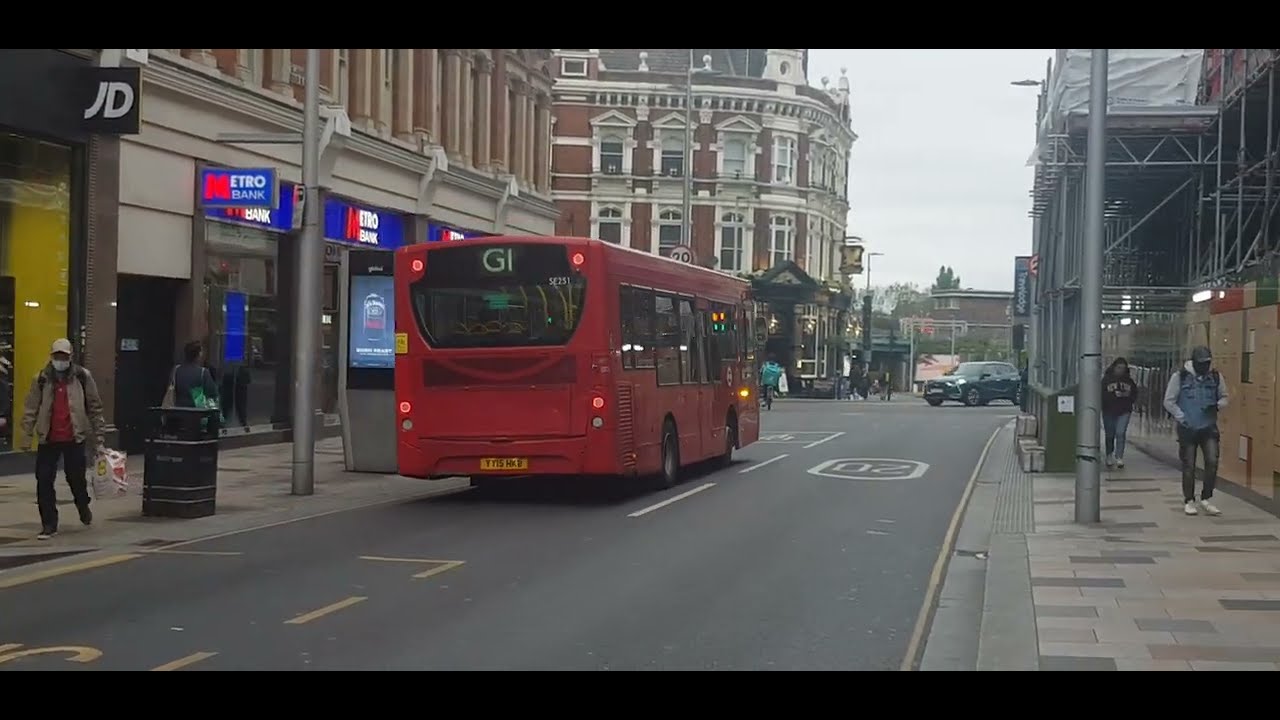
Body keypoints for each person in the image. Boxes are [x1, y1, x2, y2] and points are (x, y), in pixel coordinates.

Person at [19, 338, 107, 540]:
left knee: (75, 478)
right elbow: (31, 408)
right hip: (48, 438)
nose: (60, 360)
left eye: (64, 356)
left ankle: (82, 505)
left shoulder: (83, 377)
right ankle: (49, 523)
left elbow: (94, 407)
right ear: (51, 357)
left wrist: (99, 437)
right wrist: (26, 436)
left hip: (74, 437)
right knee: (44, 480)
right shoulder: (41, 379)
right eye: (57, 356)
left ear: (71, 357)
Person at [1162, 345, 1227, 516]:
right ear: (1195, 362)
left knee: (1212, 462)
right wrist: (1181, 417)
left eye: (1207, 363)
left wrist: (1218, 406)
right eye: (1202, 363)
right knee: (1189, 465)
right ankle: (1189, 500)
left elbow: (1224, 397)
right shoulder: (1180, 377)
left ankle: (1206, 497)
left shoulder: (1215, 377)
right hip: (1187, 428)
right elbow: (1169, 401)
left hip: (1209, 427)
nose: (1205, 366)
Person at [1102, 356, 1137, 468]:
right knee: (1110, 434)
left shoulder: (1129, 381)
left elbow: (1134, 394)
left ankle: (1119, 456)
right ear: (1114, 367)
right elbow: (1101, 394)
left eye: (1123, 368)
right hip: (1109, 411)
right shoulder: (1106, 380)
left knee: (1120, 433)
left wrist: (1127, 396)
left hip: (1124, 410)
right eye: (1119, 367)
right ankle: (1109, 455)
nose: (1120, 370)